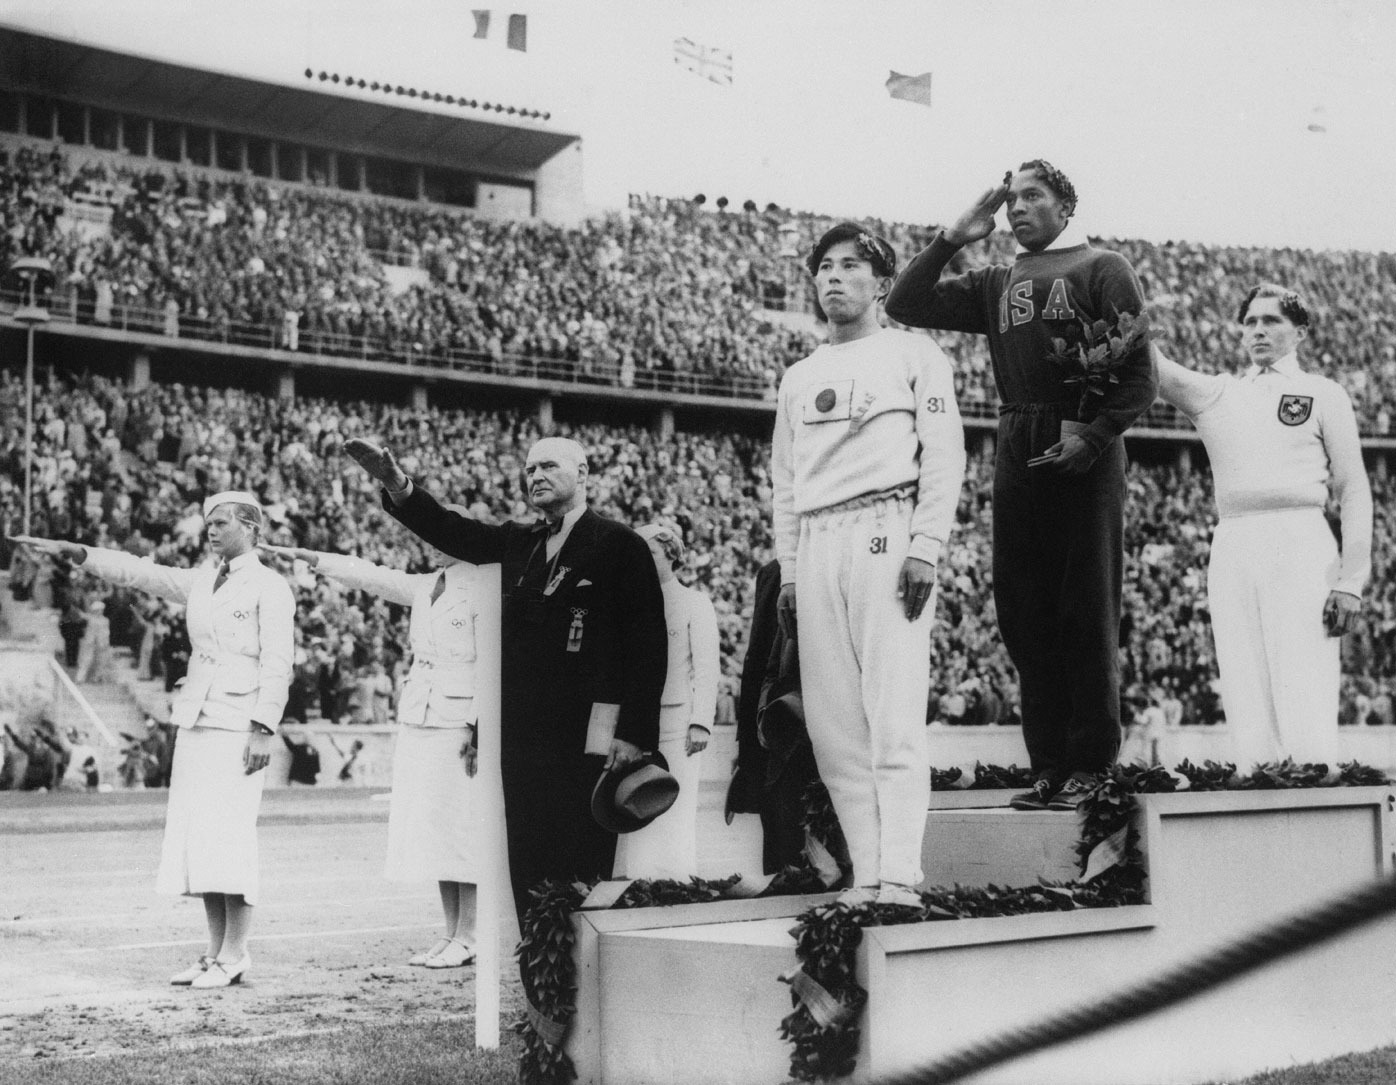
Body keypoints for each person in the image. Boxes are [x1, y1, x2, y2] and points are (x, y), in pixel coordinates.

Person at [886, 160, 1157, 812]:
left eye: (1032, 196)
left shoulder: (1103, 267)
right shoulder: (997, 279)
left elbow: (1139, 377)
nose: (1017, 209)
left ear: (1066, 204)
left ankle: (1092, 762)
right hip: (1017, 435)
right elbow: (903, 302)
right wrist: (954, 237)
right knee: (1024, 610)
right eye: (1010, 200)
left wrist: (1092, 437)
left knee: (1086, 605)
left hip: (1083, 444)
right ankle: (1049, 765)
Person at [341, 435, 667, 932]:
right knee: (528, 870)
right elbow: (450, 530)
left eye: (548, 466)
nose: (534, 476)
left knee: (583, 864)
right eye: (530, 468)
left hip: (588, 735)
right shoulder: (520, 541)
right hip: (521, 737)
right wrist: (396, 484)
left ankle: (580, 993)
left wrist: (636, 734)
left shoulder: (619, 543)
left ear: (583, 475)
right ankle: (542, 995)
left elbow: (647, 646)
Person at [12, 490, 295, 990]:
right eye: (208, 522)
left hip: (239, 722)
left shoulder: (270, 587)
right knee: (200, 838)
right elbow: (139, 571)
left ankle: (237, 952)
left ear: (252, 528)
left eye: (223, 522)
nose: (211, 529)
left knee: (231, 837)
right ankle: (214, 954)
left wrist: (263, 728)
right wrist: (76, 552)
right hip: (198, 718)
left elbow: (278, 664)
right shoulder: (202, 578)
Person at [772, 223, 966, 908]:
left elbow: (945, 454)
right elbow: (785, 484)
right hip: (820, 537)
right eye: (824, 265)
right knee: (834, 725)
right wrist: (790, 571)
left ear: (882, 283)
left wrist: (926, 545)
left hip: (887, 527)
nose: (833, 276)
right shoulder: (798, 376)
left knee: (892, 709)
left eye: (851, 265)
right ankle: (866, 873)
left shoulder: (915, 354)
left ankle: (901, 875)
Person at [1155, 284, 1372, 767]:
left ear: (1300, 332)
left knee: (1302, 673)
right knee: (1243, 675)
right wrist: (1124, 314)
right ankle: (1255, 780)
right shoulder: (1219, 393)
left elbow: (1354, 488)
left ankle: (1315, 782)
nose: (1257, 331)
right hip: (1234, 538)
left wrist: (1352, 580)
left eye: (1271, 321)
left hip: (1300, 536)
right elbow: (1155, 370)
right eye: (1250, 322)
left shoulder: (1322, 393)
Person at [266, 533, 490, 968]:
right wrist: (316, 558)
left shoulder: (482, 587)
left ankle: (471, 934)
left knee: (462, 827)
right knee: (435, 829)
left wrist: (478, 727)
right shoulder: (427, 584)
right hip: (421, 710)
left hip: (459, 716)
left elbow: (489, 663)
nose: (437, 541)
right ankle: (452, 933)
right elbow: (374, 578)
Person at [612, 522, 718, 881]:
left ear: (671, 556)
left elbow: (706, 668)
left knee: (676, 801)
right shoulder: (627, 604)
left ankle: (676, 880)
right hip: (635, 723)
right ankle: (639, 881)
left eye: (651, 553)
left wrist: (700, 721)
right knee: (635, 801)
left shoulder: (693, 602)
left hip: (676, 720)